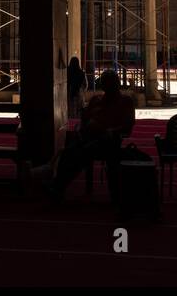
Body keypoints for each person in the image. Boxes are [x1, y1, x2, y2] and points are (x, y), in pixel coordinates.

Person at [44, 70, 135, 200]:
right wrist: (84, 121)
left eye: (109, 83)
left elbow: (128, 125)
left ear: (116, 84)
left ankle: (58, 187)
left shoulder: (125, 102)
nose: (107, 87)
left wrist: (112, 131)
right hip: (89, 137)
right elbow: (85, 121)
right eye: (105, 84)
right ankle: (58, 185)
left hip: (109, 141)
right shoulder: (96, 100)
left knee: (83, 152)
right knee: (67, 152)